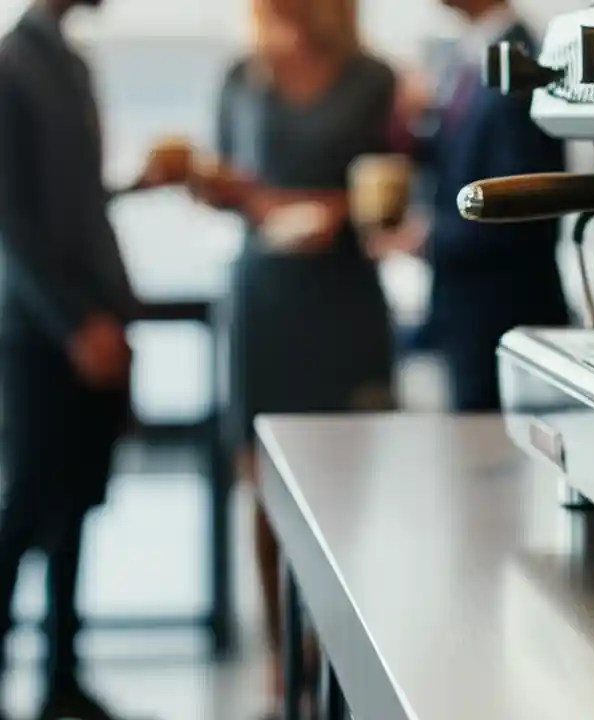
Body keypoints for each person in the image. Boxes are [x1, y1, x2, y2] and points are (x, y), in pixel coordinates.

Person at [187, 0, 400, 713]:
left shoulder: (373, 78)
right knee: (262, 479)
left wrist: (339, 211)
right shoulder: (241, 76)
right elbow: (224, 179)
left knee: (350, 481)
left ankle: (336, 652)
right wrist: (224, 192)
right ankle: (280, 661)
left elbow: (397, 184)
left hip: (342, 294)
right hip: (265, 296)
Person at [0, 1, 190, 718]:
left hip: (96, 320)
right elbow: (12, 221)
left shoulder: (69, 64)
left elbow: (70, 204)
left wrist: (133, 185)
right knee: (28, 505)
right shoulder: (13, 66)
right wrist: (76, 325)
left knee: (75, 505)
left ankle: (60, 679)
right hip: (44, 334)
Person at [392, 0, 569, 411]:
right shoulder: (467, 54)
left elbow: (522, 202)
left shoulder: (523, 61)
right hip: (466, 306)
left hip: (505, 309)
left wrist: (429, 237)